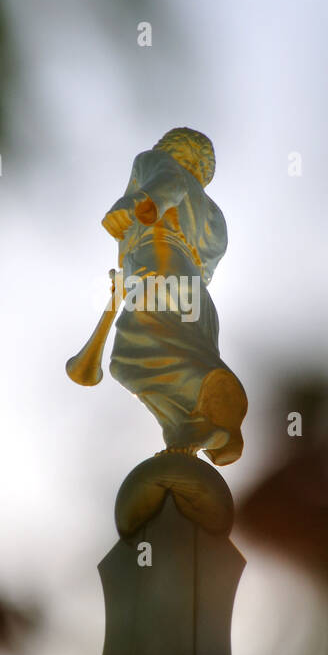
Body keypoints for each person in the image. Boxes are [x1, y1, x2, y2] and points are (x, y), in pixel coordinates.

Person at [101, 128, 247, 465]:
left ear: (172, 148)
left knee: (131, 357)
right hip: (196, 292)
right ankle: (189, 428)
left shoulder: (156, 162)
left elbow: (169, 184)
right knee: (133, 360)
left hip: (158, 266)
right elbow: (210, 260)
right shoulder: (212, 212)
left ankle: (221, 406)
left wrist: (137, 201)